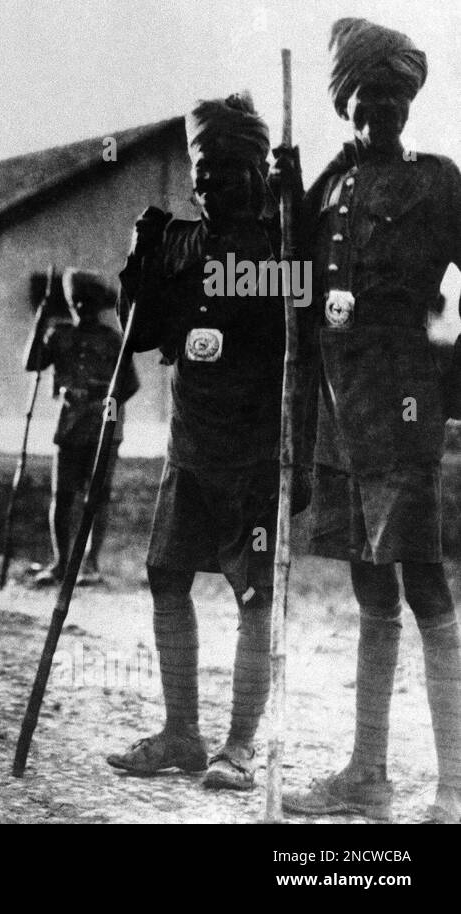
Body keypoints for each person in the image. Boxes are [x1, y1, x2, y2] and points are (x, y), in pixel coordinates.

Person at [279, 18, 461, 824]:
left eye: (393, 96)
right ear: (344, 102)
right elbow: (283, 285)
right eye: (364, 96)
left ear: (409, 104)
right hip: (335, 407)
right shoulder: (324, 191)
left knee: (423, 581)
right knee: (368, 585)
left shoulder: (439, 181)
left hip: (403, 400)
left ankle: (455, 783)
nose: (379, 110)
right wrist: (288, 194)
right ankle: (369, 774)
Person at [105, 94, 301, 790]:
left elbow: (299, 349)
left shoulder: (279, 249)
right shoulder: (184, 242)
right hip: (190, 446)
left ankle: (240, 746)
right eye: (202, 169)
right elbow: (146, 332)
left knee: (254, 596)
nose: (213, 182)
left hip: (253, 452)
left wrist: (297, 462)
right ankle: (182, 734)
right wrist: (141, 259)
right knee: (165, 575)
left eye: (229, 167)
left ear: (256, 171)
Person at [28, 269, 138, 588]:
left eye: (88, 302)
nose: (81, 307)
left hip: (105, 427)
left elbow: (129, 383)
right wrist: (41, 319)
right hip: (70, 425)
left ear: (98, 305)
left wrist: (105, 399)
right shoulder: (58, 335)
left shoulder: (113, 340)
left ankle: (90, 565)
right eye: (76, 301)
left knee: (98, 496)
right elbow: (32, 363)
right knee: (62, 495)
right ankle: (62, 563)